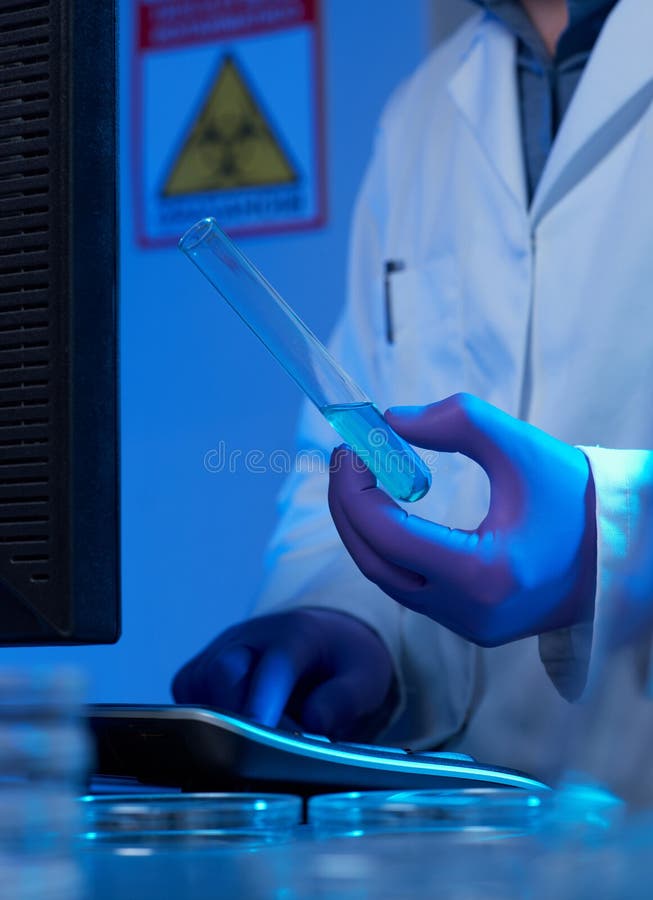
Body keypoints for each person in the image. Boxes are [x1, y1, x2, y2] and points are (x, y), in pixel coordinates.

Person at [174, 0, 653, 787]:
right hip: (460, 818)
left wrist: (609, 529)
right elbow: (344, 444)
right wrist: (347, 617)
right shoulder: (424, 110)